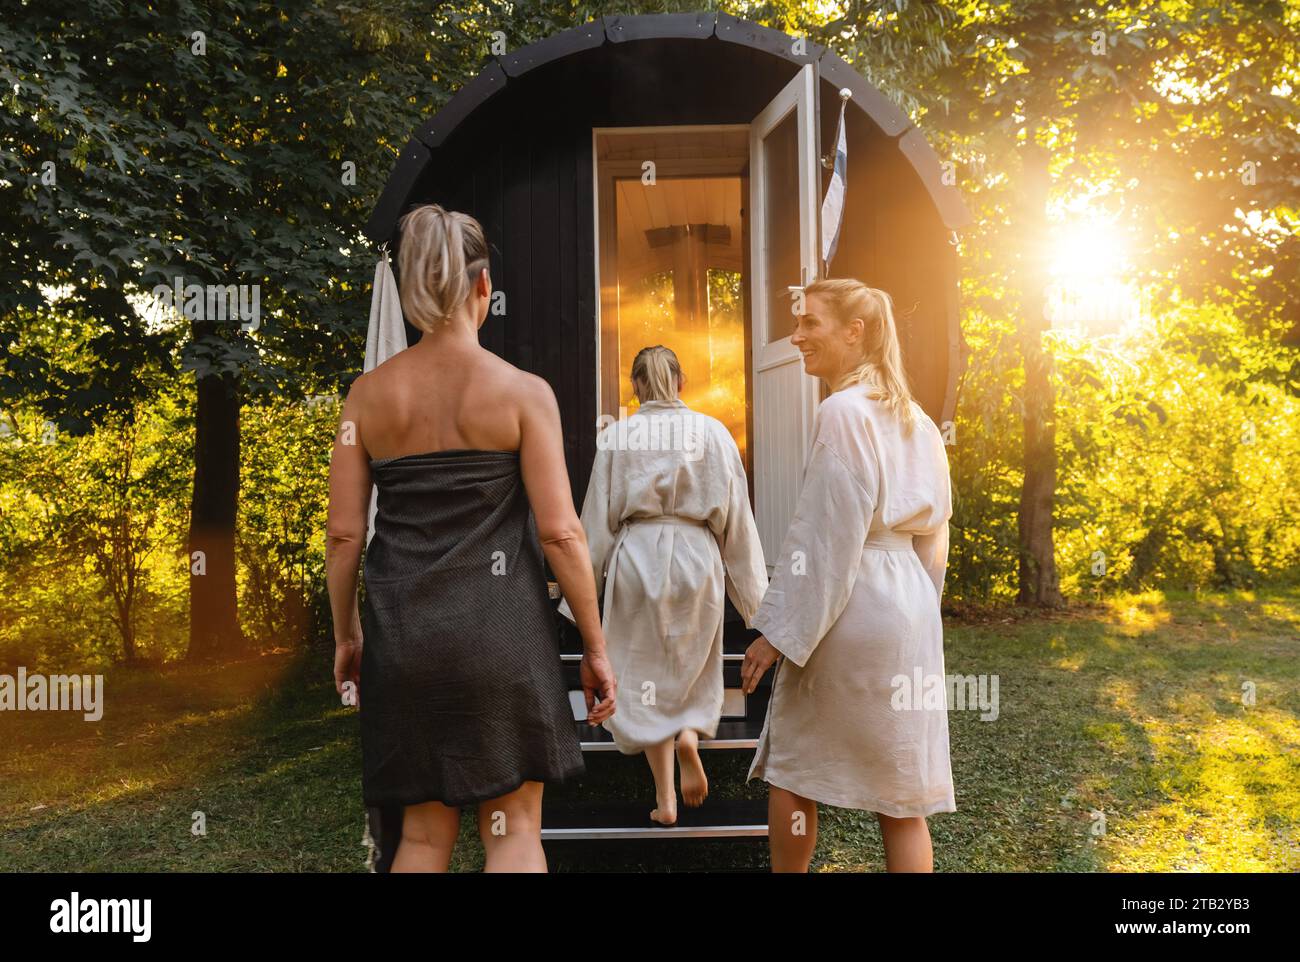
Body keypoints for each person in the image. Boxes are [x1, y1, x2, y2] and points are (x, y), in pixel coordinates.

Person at [326, 203, 616, 872]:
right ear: (484, 288)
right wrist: (594, 645)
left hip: (404, 644)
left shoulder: (365, 400)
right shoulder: (523, 394)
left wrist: (348, 639)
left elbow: (344, 537)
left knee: (423, 840)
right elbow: (562, 535)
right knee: (513, 834)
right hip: (502, 642)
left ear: (411, 291)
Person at [741, 278, 954, 873]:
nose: (795, 335)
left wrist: (778, 633)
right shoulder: (920, 422)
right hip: (907, 608)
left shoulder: (841, 412)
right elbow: (934, 541)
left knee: (795, 767)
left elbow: (827, 540)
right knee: (901, 793)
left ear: (853, 332)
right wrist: (916, 612)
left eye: (809, 323)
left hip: (849, 608)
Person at [560, 346, 767, 825]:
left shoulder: (619, 435)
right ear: (681, 382)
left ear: (635, 386)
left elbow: (596, 523)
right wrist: (758, 608)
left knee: (642, 673)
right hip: (698, 556)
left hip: (638, 557)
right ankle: (690, 734)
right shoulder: (713, 433)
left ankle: (666, 798)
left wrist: (578, 603)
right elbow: (739, 525)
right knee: (691, 661)